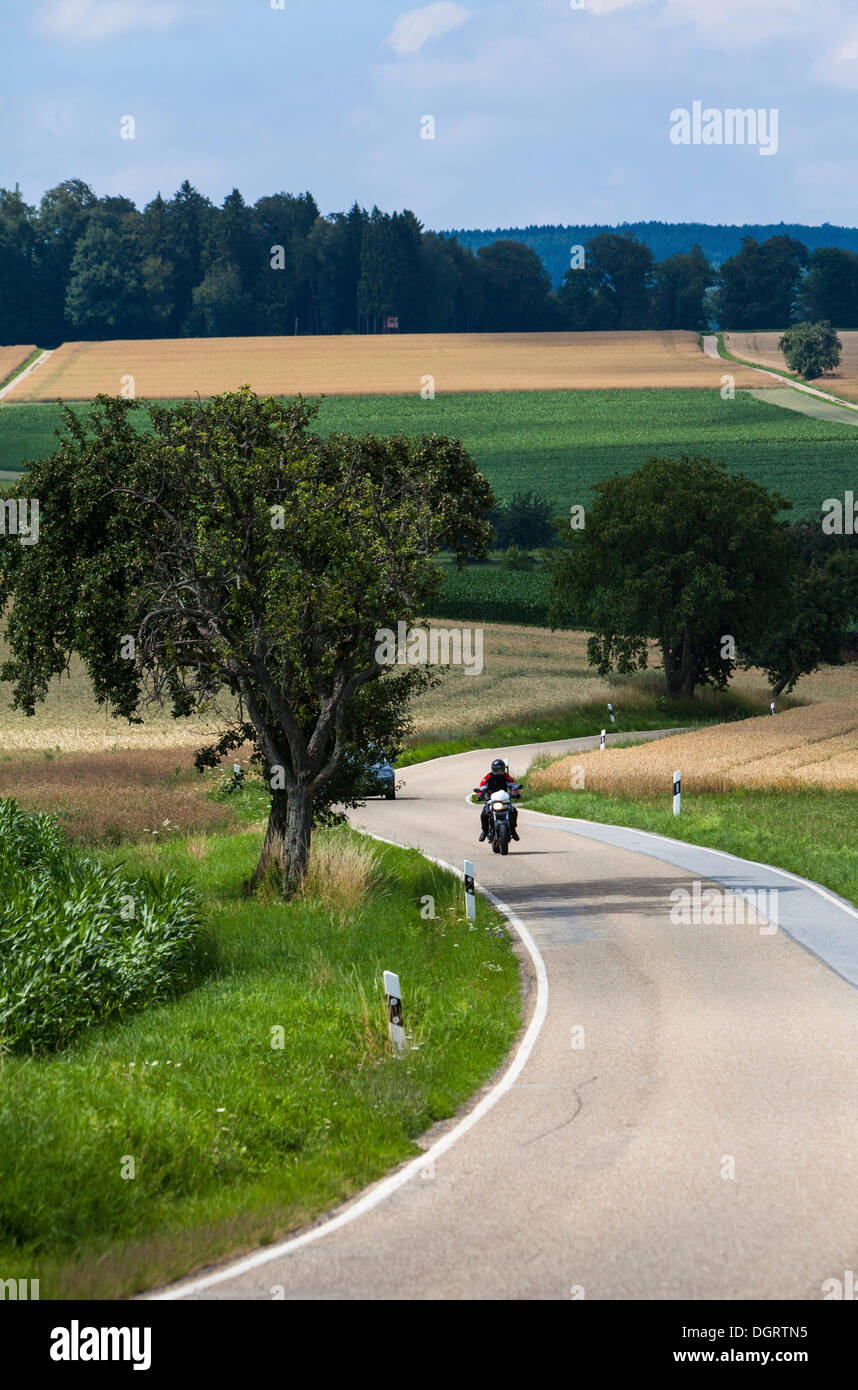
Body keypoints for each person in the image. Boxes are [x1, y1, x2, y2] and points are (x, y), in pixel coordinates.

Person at [477, 758, 520, 841]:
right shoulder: (488, 776)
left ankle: (513, 830)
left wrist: (515, 793)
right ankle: (484, 831)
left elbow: (512, 785)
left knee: (514, 811)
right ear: (493, 769)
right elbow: (482, 786)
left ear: (504, 769)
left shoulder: (506, 776)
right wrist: (480, 794)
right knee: (483, 814)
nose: (499, 772)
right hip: (491, 800)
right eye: (497, 770)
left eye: (501, 770)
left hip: (504, 800)